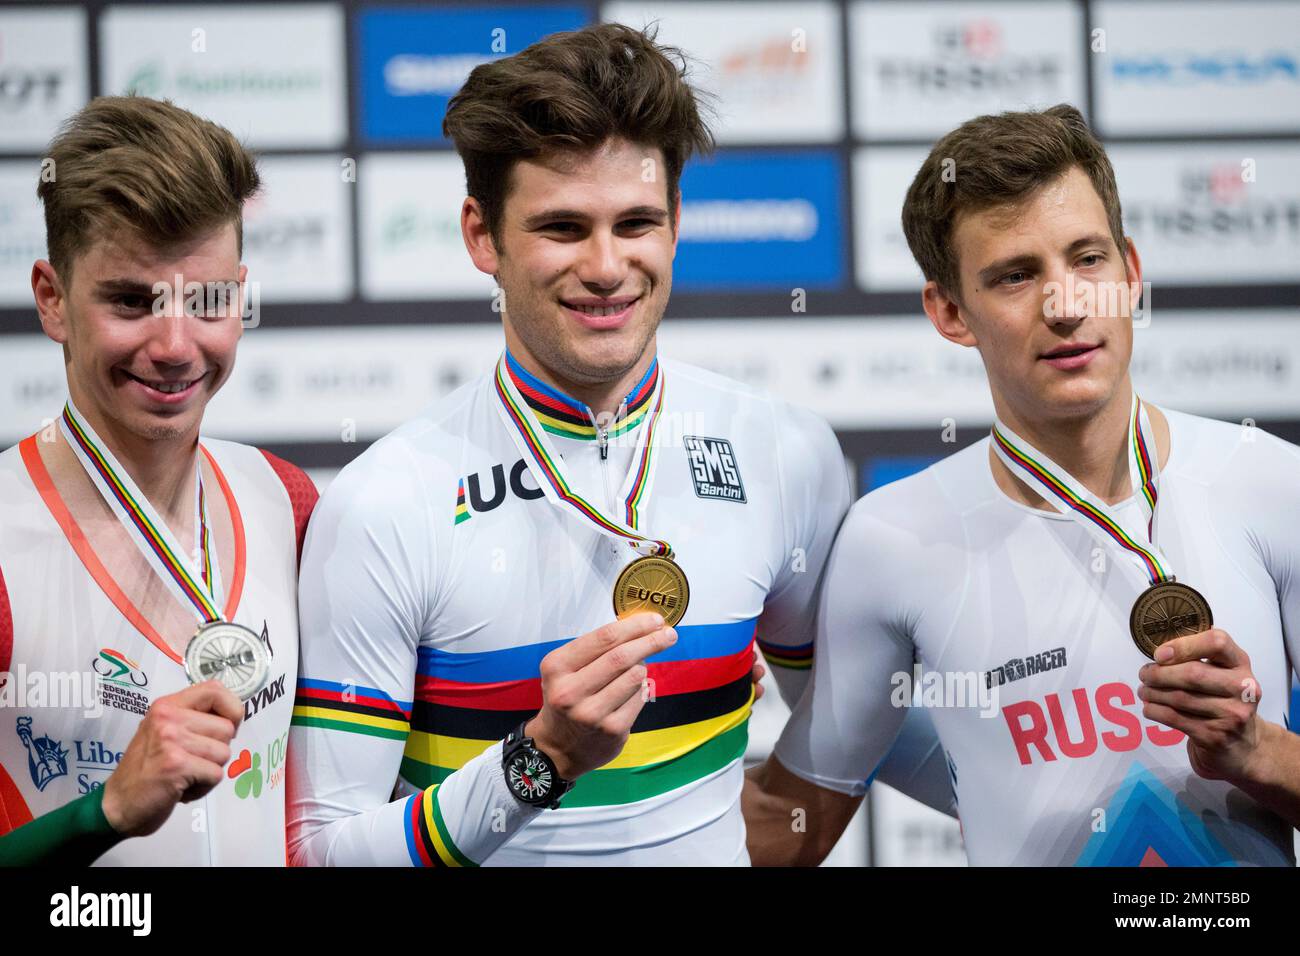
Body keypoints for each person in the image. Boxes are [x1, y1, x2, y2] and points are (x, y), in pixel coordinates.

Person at [287, 22, 950, 867]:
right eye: (563, 228)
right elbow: (319, 854)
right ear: (482, 236)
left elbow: (863, 714)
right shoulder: (388, 499)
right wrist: (541, 761)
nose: (606, 266)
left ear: (676, 224)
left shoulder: (783, 451)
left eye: (636, 222)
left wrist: (1085, 792)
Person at [745, 104, 1300, 866]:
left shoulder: (1270, 482)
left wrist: (1260, 752)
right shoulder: (893, 541)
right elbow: (788, 821)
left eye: (1089, 260)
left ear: (1131, 272)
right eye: (1015, 275)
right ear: (949, 311)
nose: (1067, 304)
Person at [0, 96, 316, 865]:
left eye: (206, 301)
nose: (175, 346)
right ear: (53, 300)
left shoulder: (291, 502)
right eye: (132, 302)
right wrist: (103, 812)